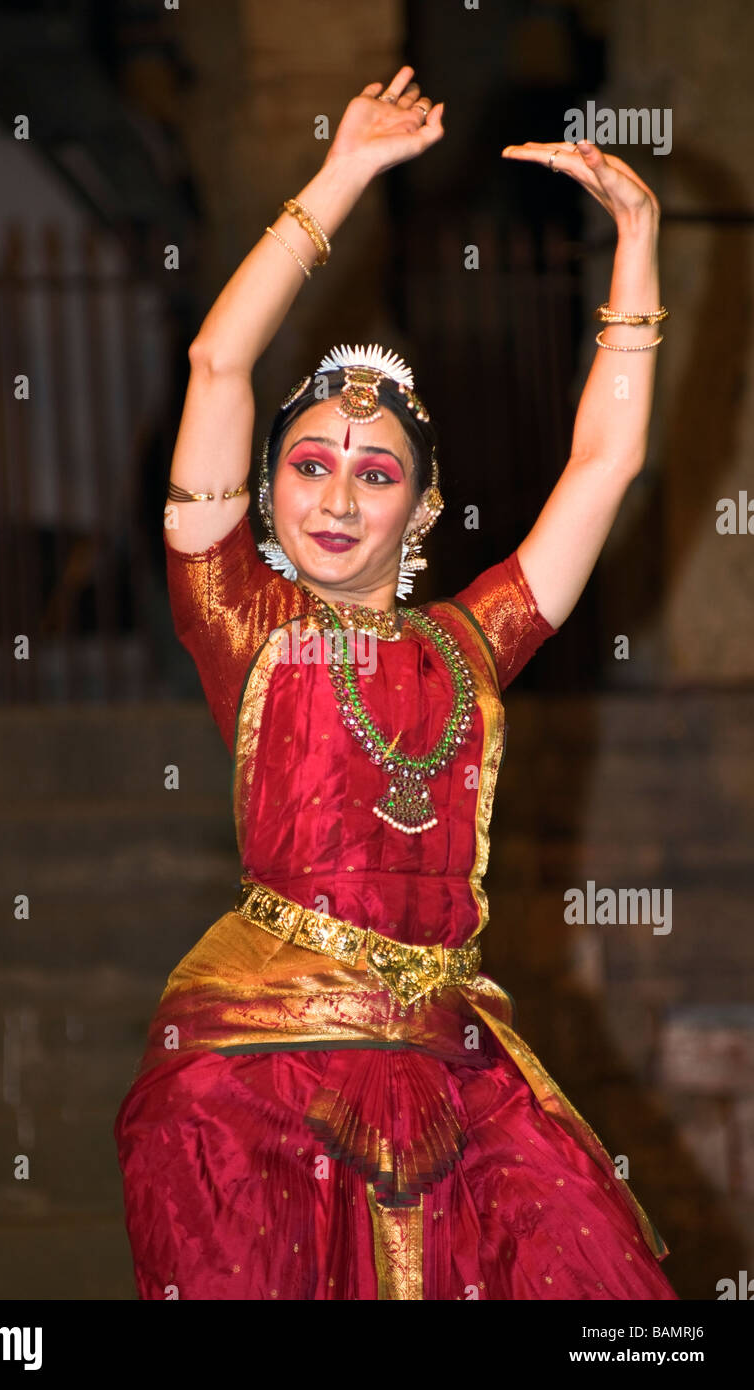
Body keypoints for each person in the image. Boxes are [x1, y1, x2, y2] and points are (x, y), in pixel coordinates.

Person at [115, 66, 677, 1301]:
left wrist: (634, 249)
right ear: (265, 496)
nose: (334, 493)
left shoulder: (475, 641)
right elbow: (218, 361)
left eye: (375, 474)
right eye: (309, 465)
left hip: (451, 1061)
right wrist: (343, 174)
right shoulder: (243, 621)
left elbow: (604, 462)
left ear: (422, 506)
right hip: (261, 1067)